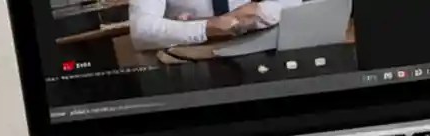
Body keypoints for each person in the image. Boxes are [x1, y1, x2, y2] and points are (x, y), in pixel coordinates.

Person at [129, 0, 304, 51]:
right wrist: (209, 27)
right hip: (193, 61)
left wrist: (260, 10)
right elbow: (141, 31)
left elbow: (294, 3)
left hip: (255, 48)